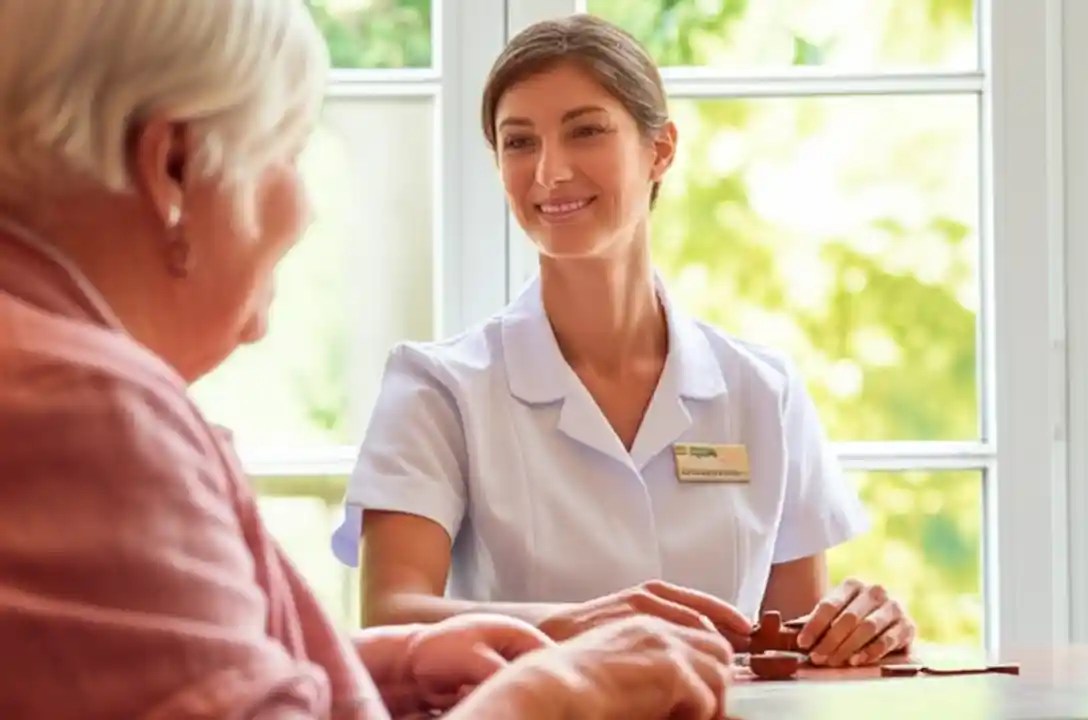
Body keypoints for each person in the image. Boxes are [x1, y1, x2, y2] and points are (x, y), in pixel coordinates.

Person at [0, 2, 734, 718]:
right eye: (285, 155)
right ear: (174, 169)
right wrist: (555, 695)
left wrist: (382, 666)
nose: (305, 208)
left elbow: (139, 678)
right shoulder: (81, 414)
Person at [334, 13, 918, 669]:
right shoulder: (437, 389)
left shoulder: (763, 390)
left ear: (660, 149)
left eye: (585, 131)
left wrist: (860, 631)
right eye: (519, 142)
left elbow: (792, 651)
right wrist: (586, 626)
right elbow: (392, 615)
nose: (550, 171)